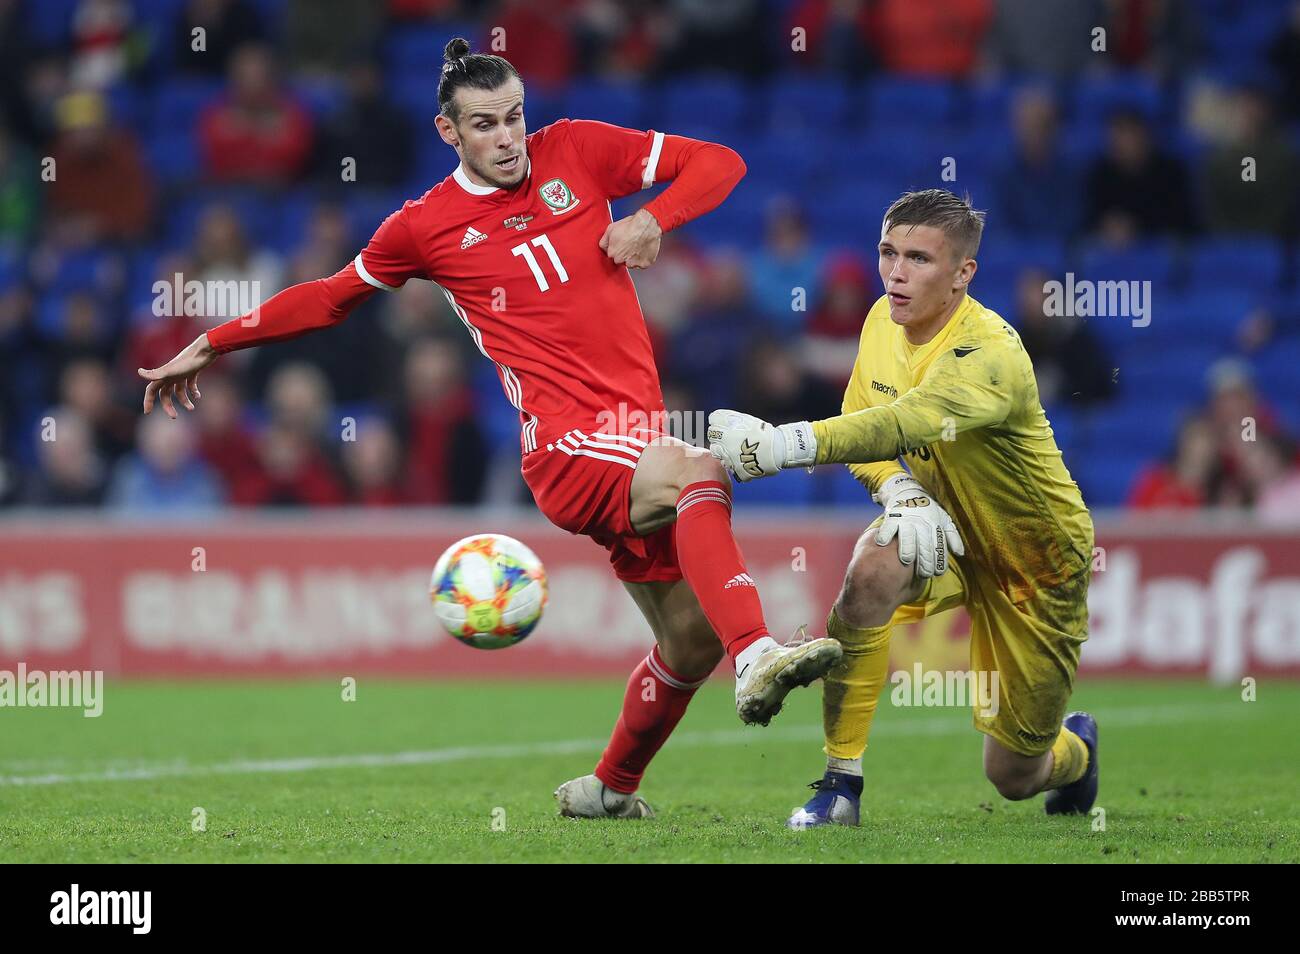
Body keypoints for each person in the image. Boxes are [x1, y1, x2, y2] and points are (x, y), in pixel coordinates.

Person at [136, 38, 842, 819]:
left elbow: (721, 162)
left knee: (687, 643)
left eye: (514, 117)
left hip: (632, 437)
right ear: (450, 132)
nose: (507, 138)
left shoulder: (575, 149)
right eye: (485, 125)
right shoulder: (424, 227)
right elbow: (330, 297)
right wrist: (212, 340)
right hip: (568, 446)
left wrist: (652, 217)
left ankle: (611, 788)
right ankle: (759, 655)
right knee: (700, 469)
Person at [709, 190, 1099, 827]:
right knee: (870, 573)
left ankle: (1078, 755)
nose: (896, 272)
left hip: (1034, 560)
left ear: (963, 274)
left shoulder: (990, 352)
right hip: (943, 528)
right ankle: (840, 787)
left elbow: (909, 419)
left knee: (1012, 775)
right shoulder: (878, 322)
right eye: (888, 253)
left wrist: (788, 443)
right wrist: (900, 491)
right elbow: (865, 428)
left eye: (918, 258)